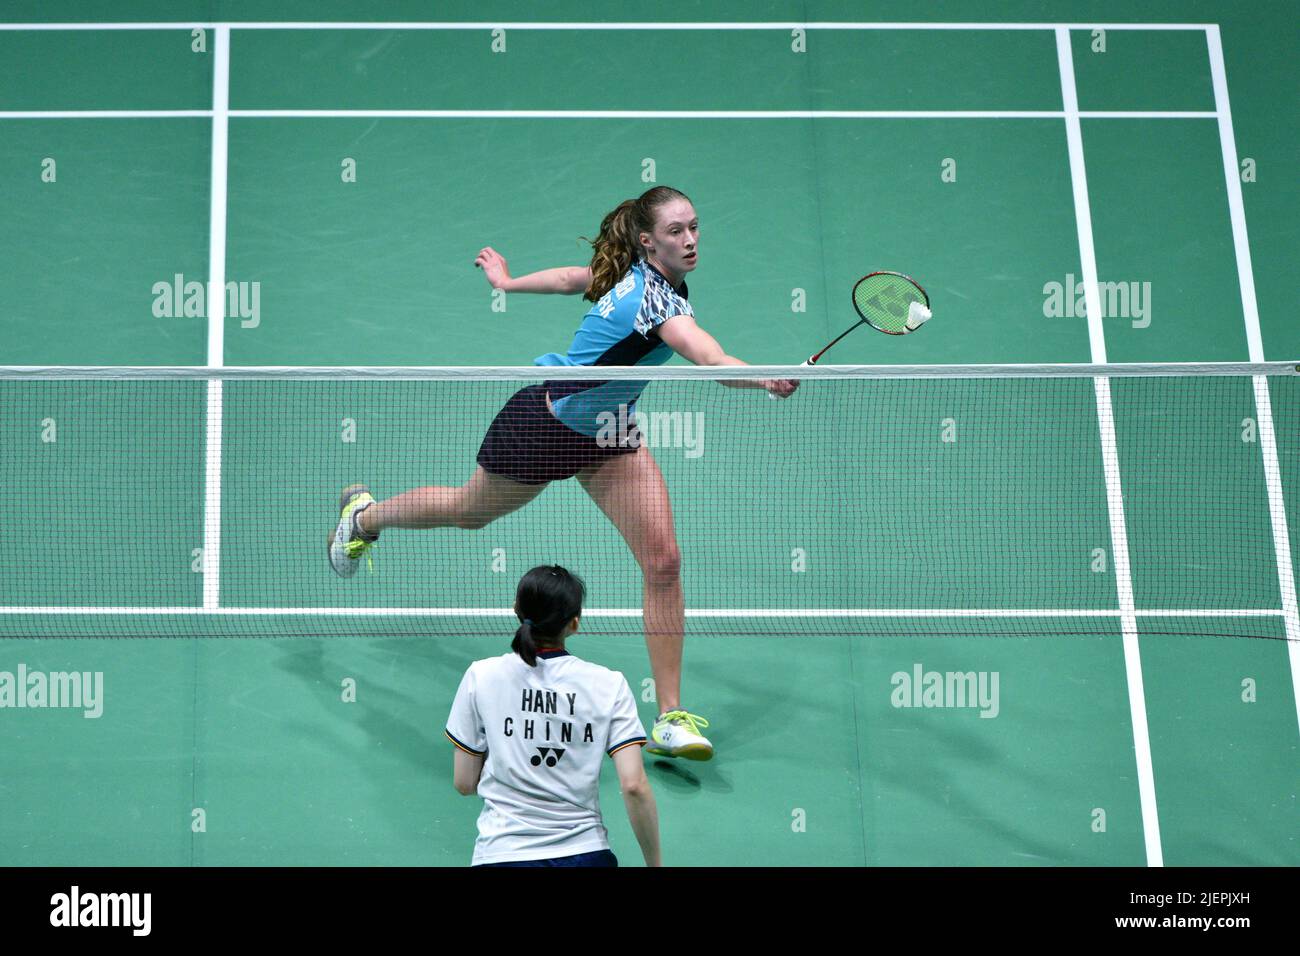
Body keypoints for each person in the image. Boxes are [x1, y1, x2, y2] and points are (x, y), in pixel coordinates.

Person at [329, 185, 798, 760]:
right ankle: (364, 517)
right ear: (649, 241)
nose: (692, 239)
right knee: (467, 512)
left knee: (663, 561)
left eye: (695, 226)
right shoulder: (657, 305)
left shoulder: (650, 273)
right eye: (677, 232)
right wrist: (764, 377)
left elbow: (575, 278)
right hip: (547, 427)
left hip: (609, 432)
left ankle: (670, 718)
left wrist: (509, 282)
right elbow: (709, 359)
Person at [445, 565, 661, 867]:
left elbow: (465, 782)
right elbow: (634, 785)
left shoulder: (481, 676)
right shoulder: (608, 684)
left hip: (501, 854)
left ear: (515, 610)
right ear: (574, 623)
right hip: (585, 854)